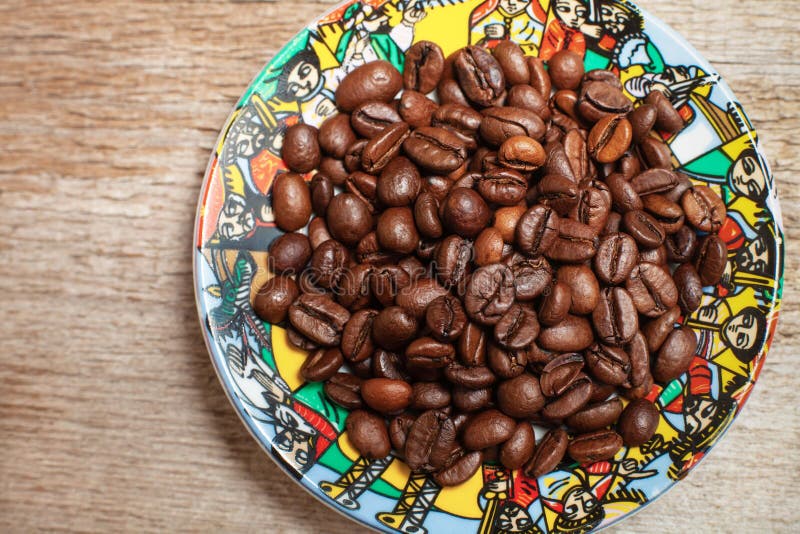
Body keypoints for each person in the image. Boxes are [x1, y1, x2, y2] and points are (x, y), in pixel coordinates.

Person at [469, 0, 546, 54]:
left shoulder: (534, 24)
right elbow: (472, 47)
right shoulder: (484, 18)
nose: (511, 2)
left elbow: (537, 50)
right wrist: (487, 39)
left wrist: (505, 34)